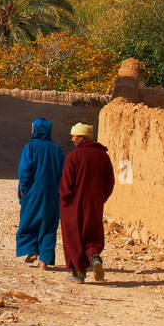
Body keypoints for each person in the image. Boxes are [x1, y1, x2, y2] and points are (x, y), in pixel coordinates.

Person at [59, 122, 115, 283]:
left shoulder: (73, 157)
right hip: (95, 204)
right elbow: (109, 182)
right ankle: (94, 256)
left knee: (74, 235)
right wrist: (100, 198)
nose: (72, 139)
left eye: (75, 136)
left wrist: (65, 201)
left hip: (74, 205)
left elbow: (66, 184)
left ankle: (78, 272)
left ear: (82, 138)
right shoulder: (103, 157)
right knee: (91, 232)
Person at [16, 117, 64, 269]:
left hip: (33, 192)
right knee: (49, 225)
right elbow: (64, 172)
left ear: (36, 130)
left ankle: (31, 249)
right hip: (53, 194)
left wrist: (22, 189)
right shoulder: (57, 150)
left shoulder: (30, 148)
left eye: (32, 128)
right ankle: (44, 261)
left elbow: (25, 170)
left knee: (29, 220)